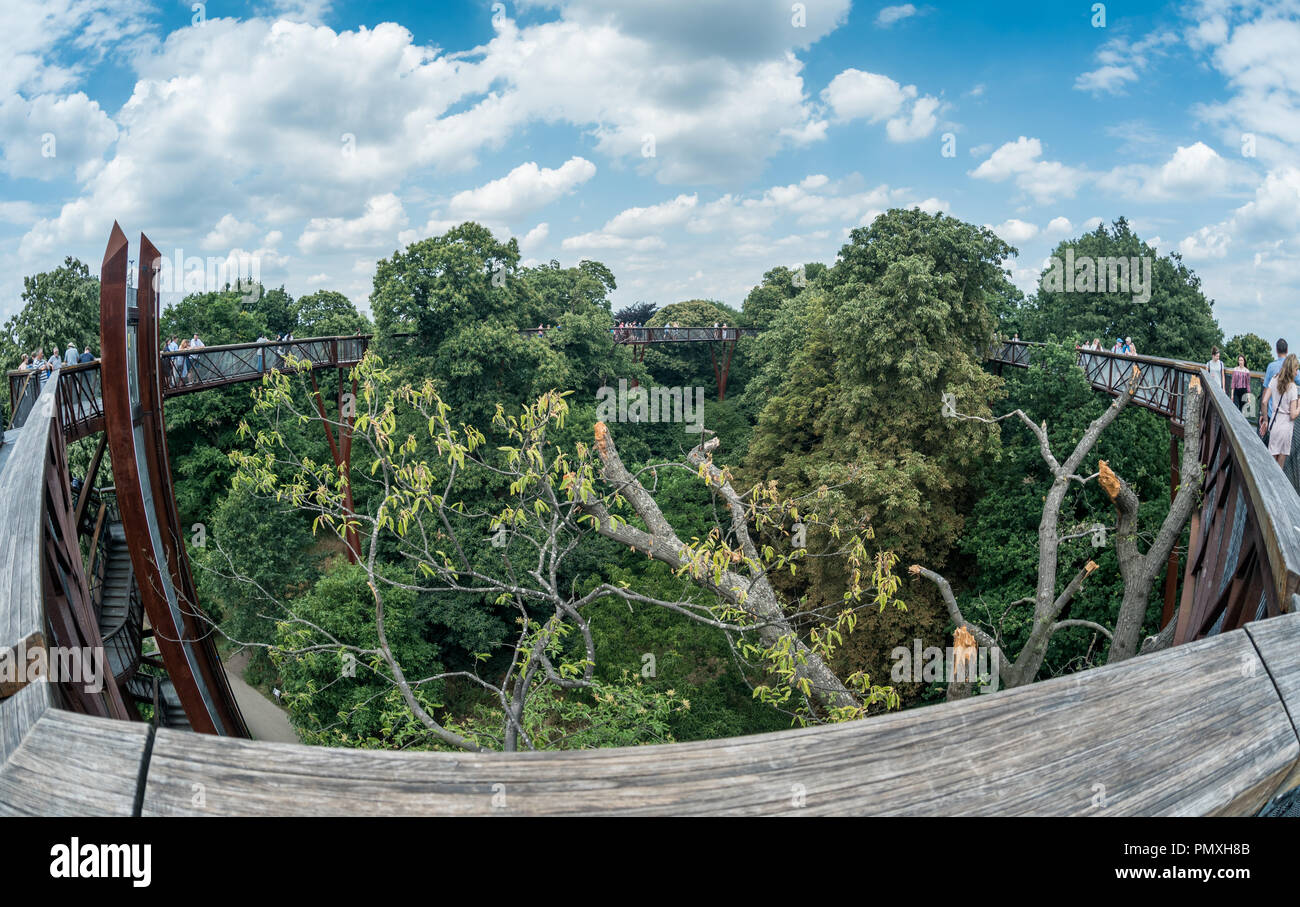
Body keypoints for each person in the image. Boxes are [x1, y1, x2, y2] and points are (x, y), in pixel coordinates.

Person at [1265, 354, 1299, 468]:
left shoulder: (1275, 379)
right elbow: (1293, 414)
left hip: (1274, 422)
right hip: (1286, 427)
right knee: (1279, 466)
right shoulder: (1292, 387)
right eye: (1296, 369)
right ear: (1291, 369)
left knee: (1271, 461)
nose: (1297, 372)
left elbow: (1264, 401)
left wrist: (1265, 421)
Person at [1260, 338, 1288, 432]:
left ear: (1276, 350)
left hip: (1271, 414)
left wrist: (1263, 415)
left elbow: (1265, 391)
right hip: (1286, 416)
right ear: (1287, 350)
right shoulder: (1291, 368)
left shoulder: (1271, 366)